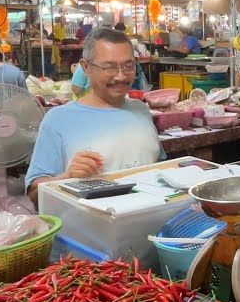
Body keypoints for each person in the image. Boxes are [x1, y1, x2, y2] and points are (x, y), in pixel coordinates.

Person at [26, 28, 161, 201]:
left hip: (147, 220)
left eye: (128, 66)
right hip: (92, 225)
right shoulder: (59, 119)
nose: (121, 76)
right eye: (109, 68)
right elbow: (33, 195)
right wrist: (66, 178)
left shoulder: (141, 110)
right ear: (86, 67)